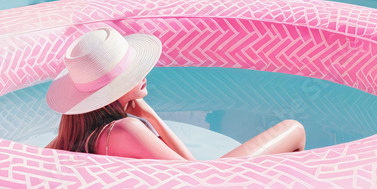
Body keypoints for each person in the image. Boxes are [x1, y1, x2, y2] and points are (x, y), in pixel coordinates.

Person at [44, 27, 305, 160]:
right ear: (116, 88)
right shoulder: (124, 130)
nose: (143, 74)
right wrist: (152, 117)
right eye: (133, 71)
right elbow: (193, 176)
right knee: (294, 129)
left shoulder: (69, 137)